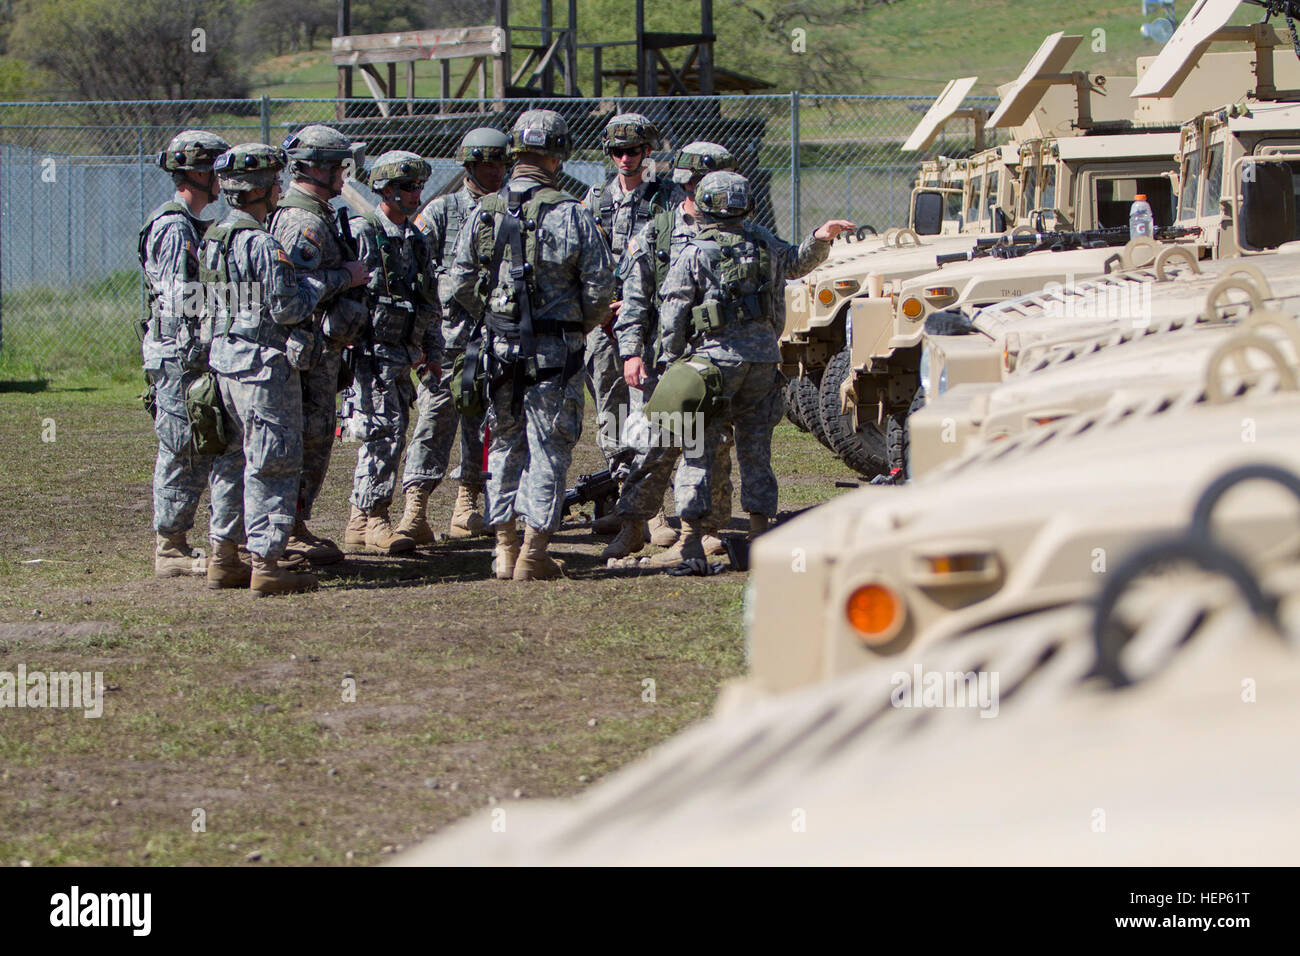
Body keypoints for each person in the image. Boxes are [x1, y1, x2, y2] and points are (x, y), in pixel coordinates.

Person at [447, 109, 614, 580]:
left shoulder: (484, 210)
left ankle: (503, 548)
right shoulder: (573, 213)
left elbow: (458, 280)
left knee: (502, 444)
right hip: (555, 352)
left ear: (516, 152)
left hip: (498, 350)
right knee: (549, 448)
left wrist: (495, 312)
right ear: (558, 156)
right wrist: (579, 325)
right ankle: (534, 553)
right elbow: (601, 289)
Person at [655, 170, 854, 567]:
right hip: (763, 361)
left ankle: (691, 540)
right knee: (756, 449)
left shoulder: (696, 251)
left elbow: (674, 310)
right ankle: (760, 534)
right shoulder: (764, 243)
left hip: (710, 364)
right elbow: (799, 264)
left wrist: (670, 359)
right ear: (748, 204)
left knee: (698, 449)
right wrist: (820, 237)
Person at [204, 144, 365, 594]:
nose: (280, 190)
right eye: (275, 183)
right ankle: (269, 563)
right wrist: (341, 278)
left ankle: (223, 557)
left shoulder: (216, 237)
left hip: (225, 362)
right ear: (264, 189)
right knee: (273, 463)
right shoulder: (262, 243)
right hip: (263, 367)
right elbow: (289, 307)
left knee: (231, 461)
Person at [603, 142, 738, 563]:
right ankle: (633, 526)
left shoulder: (736, 234)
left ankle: (703, 529)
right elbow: (634, 299)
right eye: (694, 182)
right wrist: (630, 353)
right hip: (663, 358)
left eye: (708, 182)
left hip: (713, 359)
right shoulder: (658, 231)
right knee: (649, 445)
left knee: (712, 446)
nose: (700, 190)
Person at [397, 128, 509, 543]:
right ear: (469, 166)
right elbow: (415, 269)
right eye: (485, 164)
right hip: (448, 341)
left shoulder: (511, 210)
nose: (494, 172)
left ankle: (468, 504)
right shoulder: (442, 211)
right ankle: (416, 507)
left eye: (499, 163)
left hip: (496, 339)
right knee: (433, 419)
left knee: (485, 424)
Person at [269, 124, 369, 563]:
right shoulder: (303, 220)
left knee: (315, 437)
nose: (343, 175)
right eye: (336, 166)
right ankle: (286, 528)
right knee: (306, 438)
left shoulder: (319, 213)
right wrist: (347, 277)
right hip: (303, 350)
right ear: (315, 169)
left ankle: (296, 523)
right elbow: (291, 291)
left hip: (319, 348)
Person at [137, 129, 229, 578]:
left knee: (199, 444)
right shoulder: (175, 226)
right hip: (178, 353)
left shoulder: (194, 225)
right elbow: (179, 297)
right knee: (179, 446)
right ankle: (170, 547)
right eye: (217, 170)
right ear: (196, 172)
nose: (224, 181)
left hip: (190, 350)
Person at [582, 113, 680, 527]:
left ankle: (650, 506)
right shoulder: (594, 200)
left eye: (633, 151)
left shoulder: (668, 200)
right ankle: (626, 498)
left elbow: (679, 259)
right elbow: (583, 258)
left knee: (648, 412)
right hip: (603, 324)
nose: (625, 158)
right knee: (610, 409)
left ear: (647, 152)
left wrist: (638, 303)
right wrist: (601, 305)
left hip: (649, 323)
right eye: (618, 151)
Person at [341, 151, 441, 554]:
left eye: (418, 186)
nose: (416, 193)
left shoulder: (416, 239)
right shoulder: (364, 232)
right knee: (382, 435)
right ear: (384, 190)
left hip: (405, 353)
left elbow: (428, 301)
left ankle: (357, 521)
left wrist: (432, 351)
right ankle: (376, 517)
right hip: (371, 353)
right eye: (406, 186)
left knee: (388, 435)